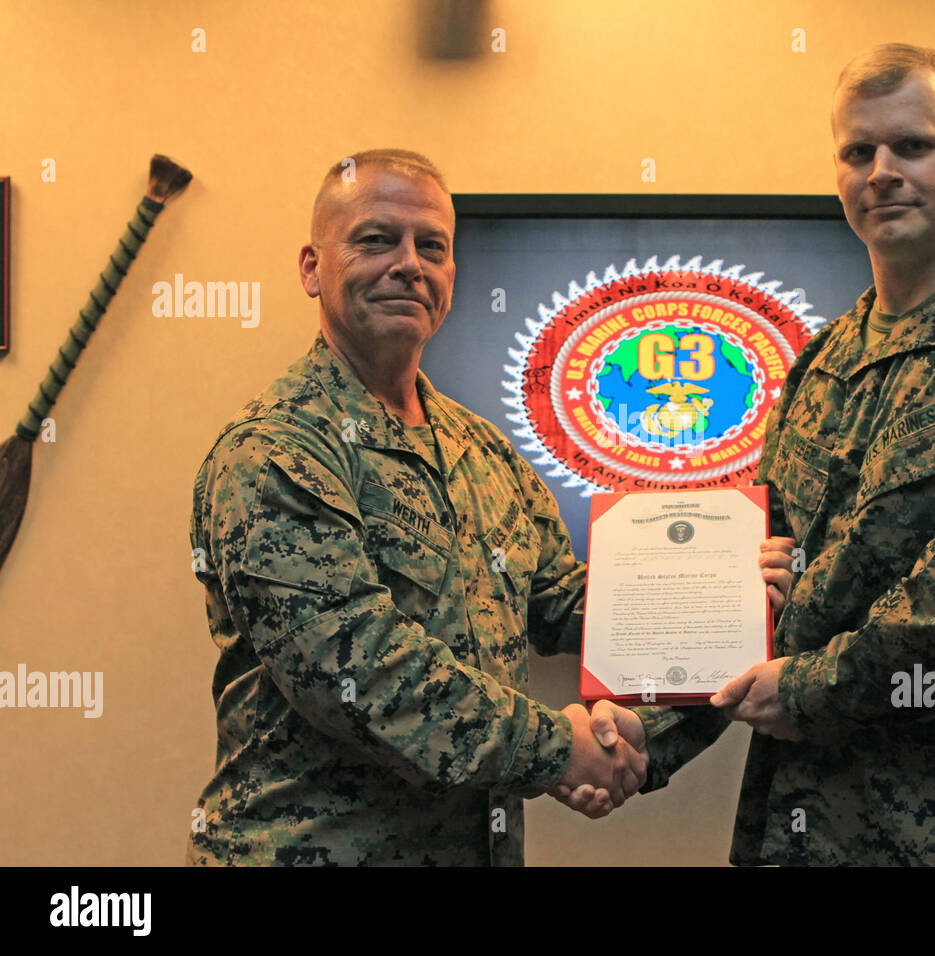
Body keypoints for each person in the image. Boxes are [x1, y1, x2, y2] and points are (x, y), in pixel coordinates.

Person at [562, 44, 935, 866]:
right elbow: (760, 609)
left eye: (912, 146)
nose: (883, 172)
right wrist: (643, 733)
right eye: (857, 151)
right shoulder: (820, 365)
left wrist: (806, 686)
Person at [186, 149, 649, 866]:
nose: (409, 263)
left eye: (431, 246)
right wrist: (561, 750)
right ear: (312, 267)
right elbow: (360, 671)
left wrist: (722, 592)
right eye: (376, 240)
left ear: (452, 276)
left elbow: (562, 602)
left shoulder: (481, 450)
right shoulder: (274, 450)